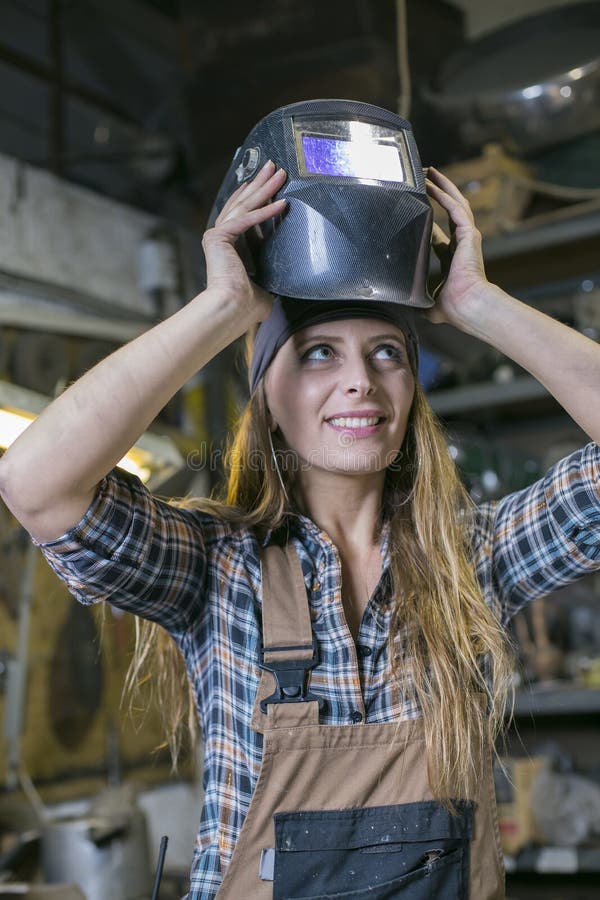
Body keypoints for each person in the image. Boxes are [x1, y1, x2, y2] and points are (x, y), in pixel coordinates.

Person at [1, 155, 599, 900]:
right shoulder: (216, 567)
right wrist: (223, 310)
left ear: (411, 393)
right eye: (320, 353)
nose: (361, 381)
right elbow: (36, 483)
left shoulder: (472, 559)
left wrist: (481, 305)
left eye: (388, 354)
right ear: (268, 398)